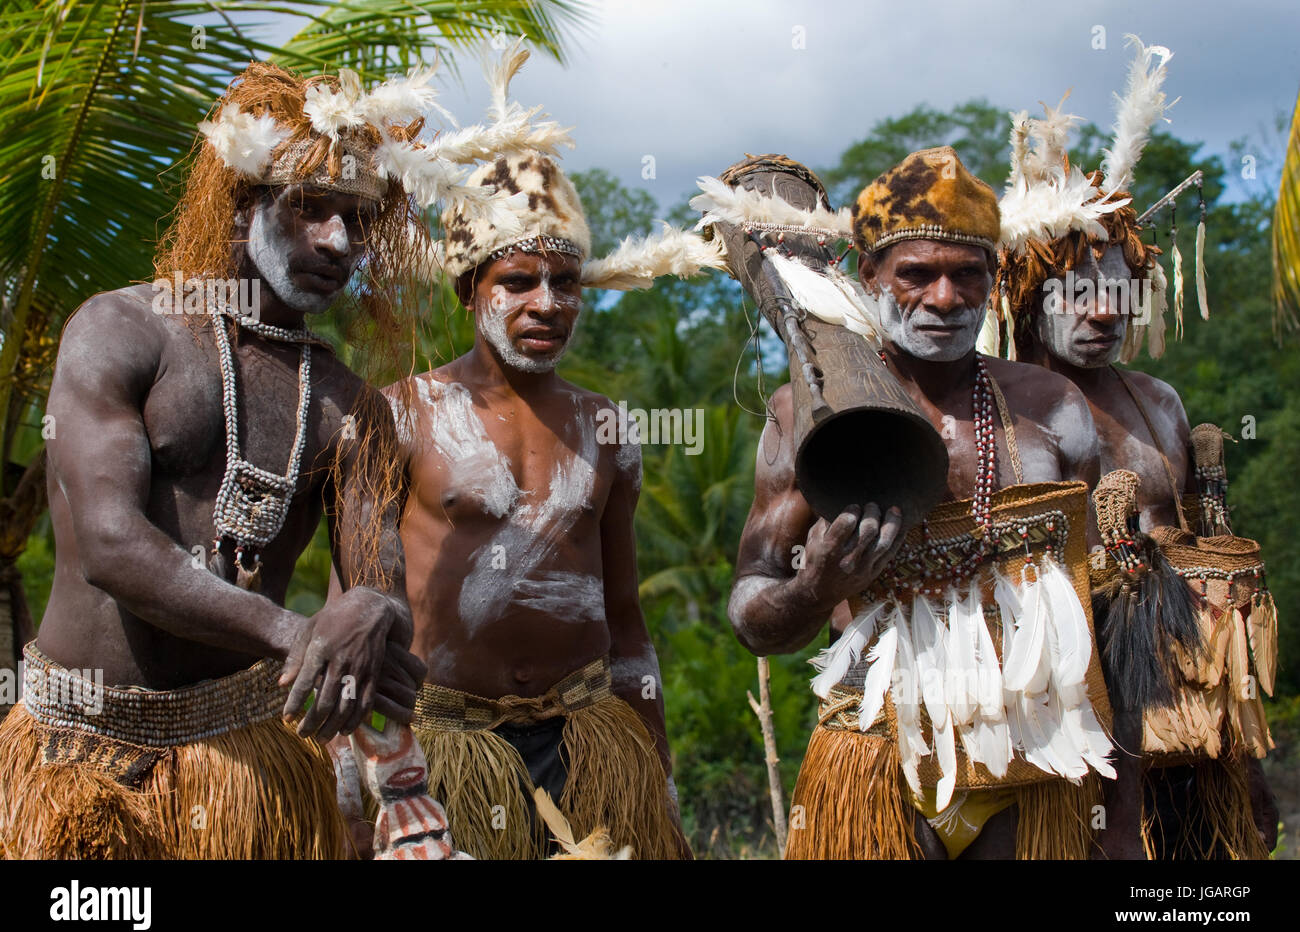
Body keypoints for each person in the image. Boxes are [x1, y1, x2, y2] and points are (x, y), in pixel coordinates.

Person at [0, 61, 443, 859]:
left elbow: (378, 588)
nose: (337, 241)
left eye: (357, 218)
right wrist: (298, 634)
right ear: (242, 201)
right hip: (77, 757)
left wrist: (376, 615)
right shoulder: (122, 330)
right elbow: (109, 546)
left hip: (245, 769)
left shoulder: (357, 409)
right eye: (309, 208)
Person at [354, 44, 721, 860]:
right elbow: (362, 619)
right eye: (518, 282)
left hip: (590, 738)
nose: (546, 304)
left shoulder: (608, 429)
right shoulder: (399, 415)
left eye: (566, 281)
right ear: (469, 289)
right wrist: (392, 774)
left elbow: (626, 618)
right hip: (450, 743)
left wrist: (653, 771)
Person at [727, 146, 1138, 858]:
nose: (944, 299)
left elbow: (1105, 624)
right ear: (869, 275)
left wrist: (1125, 821)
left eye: (966, 274)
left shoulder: (1054, 409)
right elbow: (753, 616)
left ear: (993, 278)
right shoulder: (810, 415)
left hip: (1035, 763)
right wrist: (817, 586)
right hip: (875, 762)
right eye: (916, 274)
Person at [992, 35, 1278, 858]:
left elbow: (1199, 540)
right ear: (1027, 291)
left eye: (1118, 288)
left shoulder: (1160, 401)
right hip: (1065, 709)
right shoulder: (995, 409)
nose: (1104, 310)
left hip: (1188, 703)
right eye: (1078, 289)